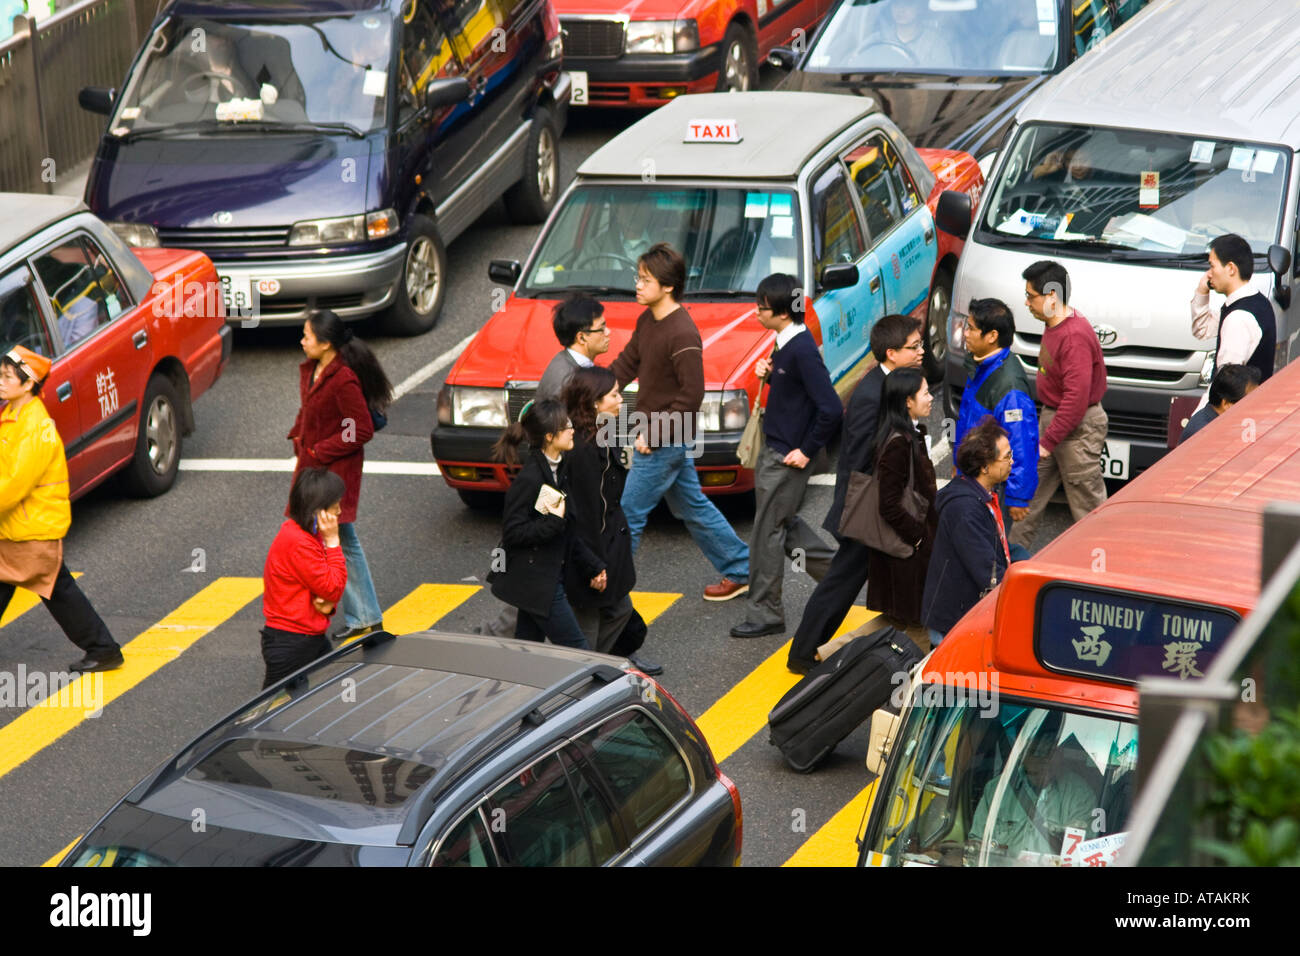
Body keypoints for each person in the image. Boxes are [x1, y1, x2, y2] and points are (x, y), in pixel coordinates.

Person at [610, 242, 751, 602]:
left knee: (629, 513)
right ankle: (742, 569)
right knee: (693, 506)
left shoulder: (683, 334)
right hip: (658, 435)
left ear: (668, 286)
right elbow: (626, 364)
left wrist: (653, 435)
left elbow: (691, 396)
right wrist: (590, 391)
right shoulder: (648, 320)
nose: (637, 285)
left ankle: (609, 588)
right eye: (638, 278)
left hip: (664, 440)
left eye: (645, 279)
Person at [786, 313, 923, 673]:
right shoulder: (870, 394)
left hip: (875, 507)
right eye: (914, 347)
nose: (921, 351)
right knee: (841, 582)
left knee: (852, 579)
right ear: (892, 353)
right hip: (866, 508)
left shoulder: (890, 383)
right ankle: (804, 653)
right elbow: (858, 459)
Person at [0, 347, 123, 672]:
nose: (0, 382)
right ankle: (103, 648)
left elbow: (13, 485)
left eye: (6, 377)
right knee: (55, 588)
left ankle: (104, 648)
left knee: (58, 589)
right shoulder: (13, 415)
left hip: (29, 531)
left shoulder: (34, 427)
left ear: (28, 385)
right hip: (19, 528)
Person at [730, 274, 840, 639]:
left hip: (785, 457)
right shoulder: (786, 342)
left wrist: (805, 452)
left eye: (760, 307)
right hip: (776, 450)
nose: (756, 313)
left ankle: (766, 614)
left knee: (767, 532)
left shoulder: (801, 350)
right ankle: (840, 576)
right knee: (783, 525)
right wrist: (773, 375)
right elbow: (798, 392)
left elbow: (830, 408)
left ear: (778, 312)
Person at [288, 309, 392, 641]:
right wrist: (297, 433)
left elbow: (360, 429)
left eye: (307, 336)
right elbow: (308, 409)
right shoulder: (313, 370)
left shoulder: (343, 378)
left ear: (326, 343)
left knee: (338, 541)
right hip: (314, 469)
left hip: (334, 473)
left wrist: (321, 450)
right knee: (335, 540)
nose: (302, 341)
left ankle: (361, 615)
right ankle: (361, 615)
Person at [562, 367, 664, 673]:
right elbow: (583, 516)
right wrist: (593, 565)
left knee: (618, 609)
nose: (621, 400)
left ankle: (598, 667)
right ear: (594, 403)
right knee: (590, 624)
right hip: (591, 553)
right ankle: (585, 675)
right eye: (614, 395)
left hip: (608, 547)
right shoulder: (581, 451)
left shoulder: (602, 435)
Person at [1009, 260, 1108, 551]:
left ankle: (1098, 574)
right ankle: (1009, 570)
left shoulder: (1073, 335)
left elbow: (1076, 400)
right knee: (1028, 497)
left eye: (1031, 296)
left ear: (1051, 296)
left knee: (1088, 510)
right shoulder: (1056, 324)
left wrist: (1047, 442)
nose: (1026, 302)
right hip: (1054, 422)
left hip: (1075, 429)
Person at [488, 399, 600, 649]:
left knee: (529, 650)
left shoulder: (559, 468)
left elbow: (567, 526)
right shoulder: (531, 478)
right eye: (566, 426)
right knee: (578, 651)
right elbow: (513, 532)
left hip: (546, 576)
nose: (572, 429)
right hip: (536, 581)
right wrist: (552, 522)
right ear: (549, 436)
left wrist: (592, 565)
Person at [954, 297, 1038, 552]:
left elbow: (1021, 441)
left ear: (991, 335)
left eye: (970, 328)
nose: (964, 333)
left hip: (993, 485)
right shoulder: (982, 365)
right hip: (975, 477)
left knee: (987, 551)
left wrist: (1017, 497)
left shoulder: (1008, 386)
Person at [921, 418, 1013, 648]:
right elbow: (986, 570)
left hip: (962, 616)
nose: (1012, 461)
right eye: (1007, 457)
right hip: (956, 623)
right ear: (985, 467)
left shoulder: (978, 494)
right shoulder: (965, 509)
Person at [865, 367, 939, 653]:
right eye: (925, 392)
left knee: (898, 621)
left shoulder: (907, 434)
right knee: (918, 623)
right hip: (908, 552)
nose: (931, 398)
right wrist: (919, 537)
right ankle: (917, 684)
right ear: (907, 401)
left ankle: (834, 654)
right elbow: (888, 504)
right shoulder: (899, 443)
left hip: (908, 550)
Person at [261, 468, 348, 688]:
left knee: (329, 695)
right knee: (267, 714)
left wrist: (328, 604)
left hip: (306, 637)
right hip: (293, 643)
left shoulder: (302, 533)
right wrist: (334, 542)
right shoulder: (300, 544)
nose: (339, 510)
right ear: (317, 511)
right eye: (335, 505)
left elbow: (324, 588)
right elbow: (333, 588)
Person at [1190, 233, 1276, 395]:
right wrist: (1202, 291)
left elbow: (1226, 384)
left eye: (1212, 266)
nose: (1209, 274)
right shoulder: (1256, 302)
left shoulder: (1238, 317)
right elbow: (1202, 329)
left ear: (1230, 268)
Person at [536, 293, 610, 404]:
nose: (608, 332)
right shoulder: (569, 381)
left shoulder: (566, 362)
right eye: (601, 328)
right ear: (581, 338)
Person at [1177, 363, 1261, 445]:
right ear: (1226, 404)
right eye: (1250, 400)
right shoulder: (1206, 435)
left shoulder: (1217, 422)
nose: (1256, 405)